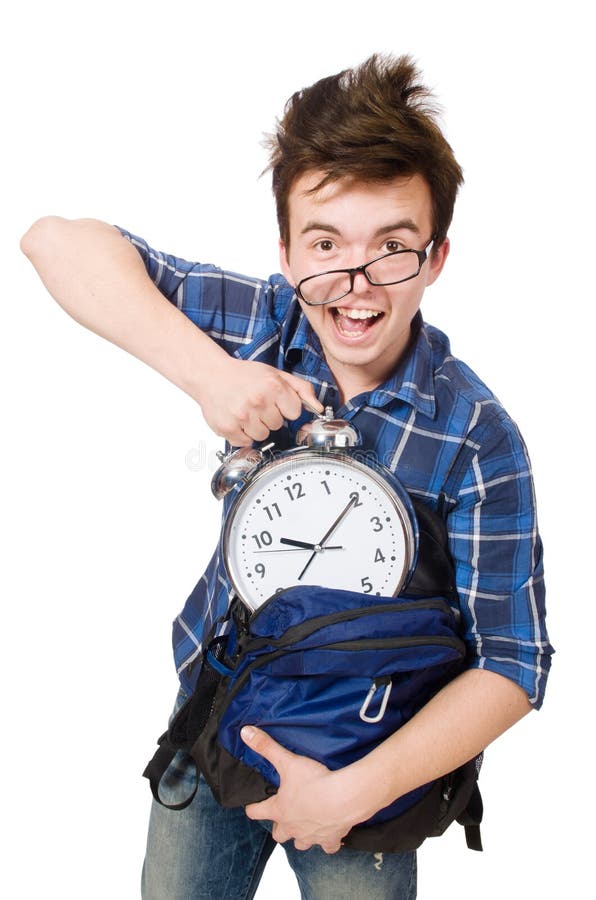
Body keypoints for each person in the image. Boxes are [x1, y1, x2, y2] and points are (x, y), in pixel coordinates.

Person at [21, 54, 552, 900]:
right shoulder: (270, 325)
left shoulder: (475, 437)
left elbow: (514, 664)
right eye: (325, 245)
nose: (355, 284)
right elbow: (55, 242)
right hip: (215, 718)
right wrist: (210, 375)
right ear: (286, 249)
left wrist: (351, 794)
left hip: (366, 765)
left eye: (392, 247)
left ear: (436, 257)